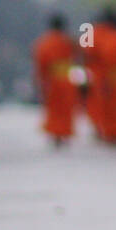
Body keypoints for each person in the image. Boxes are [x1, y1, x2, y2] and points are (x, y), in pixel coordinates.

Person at [32, 15, 78, 147]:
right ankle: (64, 133)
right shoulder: (69, 41)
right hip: (68, 78)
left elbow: (40, 63)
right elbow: (80, 55)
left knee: (54, 109)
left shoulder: (44, 42)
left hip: (52, 79)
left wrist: (39, 80)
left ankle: (55, 133)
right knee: (66, 108)